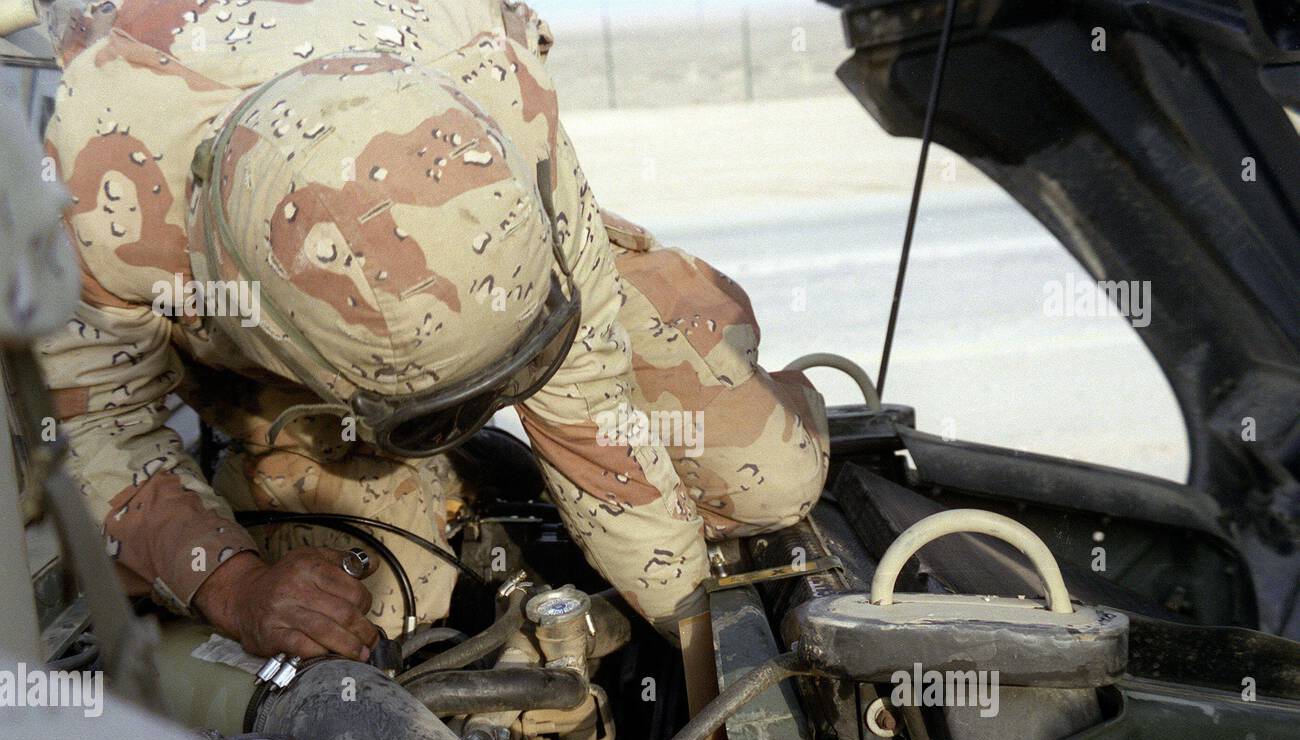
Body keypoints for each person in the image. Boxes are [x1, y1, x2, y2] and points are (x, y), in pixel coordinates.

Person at [38, 0, 829, 659]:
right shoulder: (101, 172)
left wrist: (696, 637)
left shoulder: (495, 80)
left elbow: (587, 402)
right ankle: (382, 465)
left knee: (770, 479)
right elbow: (99, 427)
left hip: (502, 272)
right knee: (377, 613)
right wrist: (237, 585)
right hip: (276, 371)